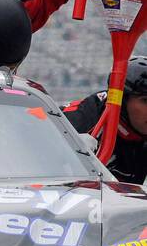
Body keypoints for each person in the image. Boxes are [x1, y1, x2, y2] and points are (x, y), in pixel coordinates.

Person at [63, 56, 147, 184]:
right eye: (145, 101)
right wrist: (64, 151)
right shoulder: (76, 122)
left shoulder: (138, 123)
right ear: (122, 100)